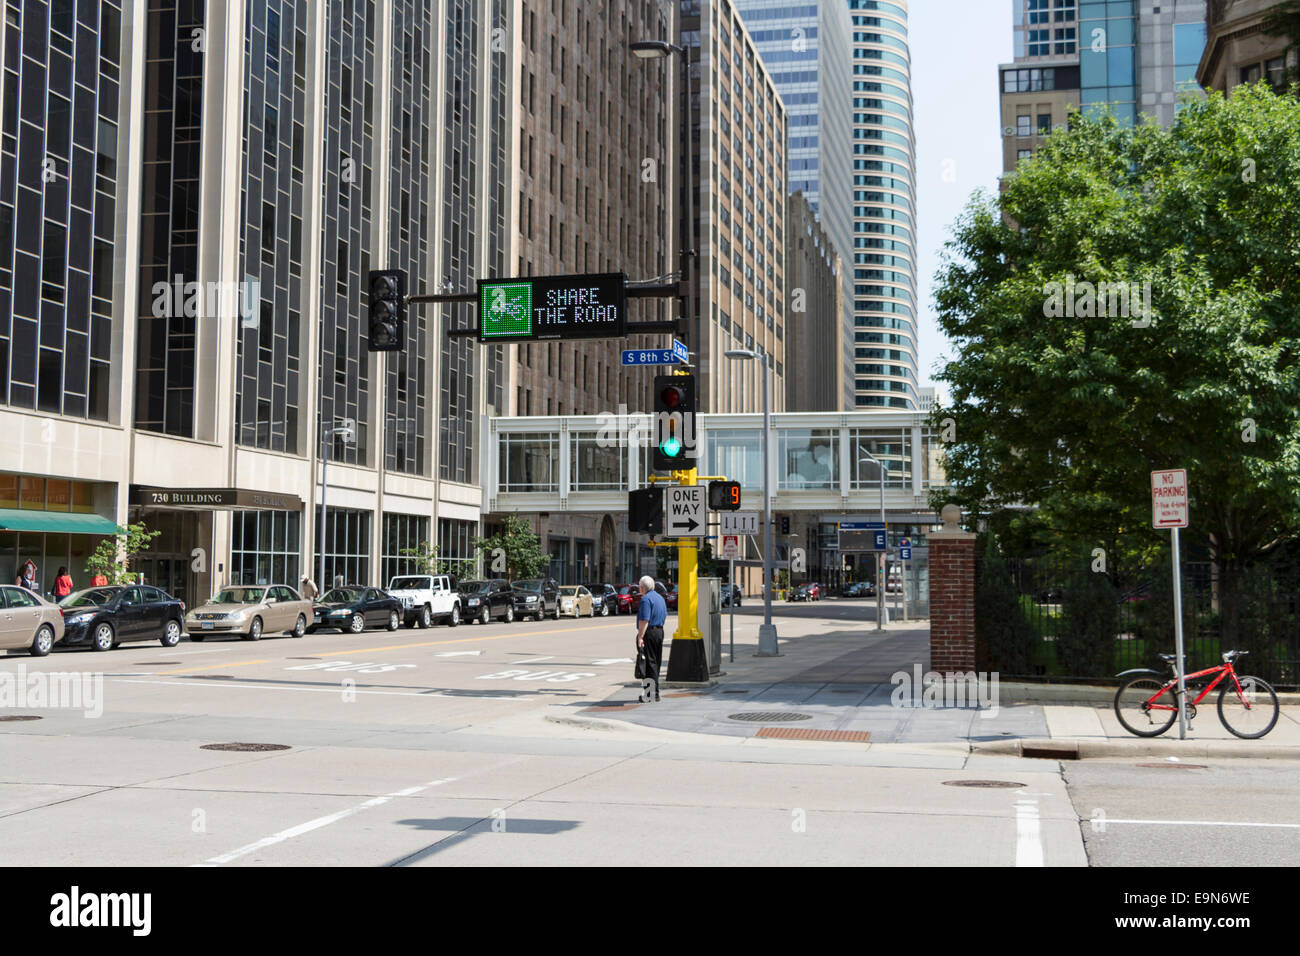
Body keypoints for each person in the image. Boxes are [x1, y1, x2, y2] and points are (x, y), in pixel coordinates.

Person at [635, 574, 667, 703]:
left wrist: (640, 636)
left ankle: (651, 694)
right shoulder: (660, 598)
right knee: (655, 663)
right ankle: (652, 693)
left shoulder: (645, 600)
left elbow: (644, 620)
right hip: (659, 631)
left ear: (642, 588)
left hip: (649, 633)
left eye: (639, 587)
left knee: (648, 664)